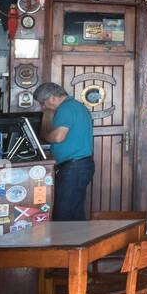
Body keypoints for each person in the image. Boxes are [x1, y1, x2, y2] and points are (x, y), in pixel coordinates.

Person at [35, 82, 94, 222]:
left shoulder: (66, 108)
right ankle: (78, 243)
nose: (43, 108)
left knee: (64, 215)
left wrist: (44, 137)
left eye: (43, 103)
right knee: (74, 212)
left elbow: (58, 137)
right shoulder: (76, 106)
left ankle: (67, 244)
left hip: (74, 167)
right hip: (79, 166)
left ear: (52, 98)